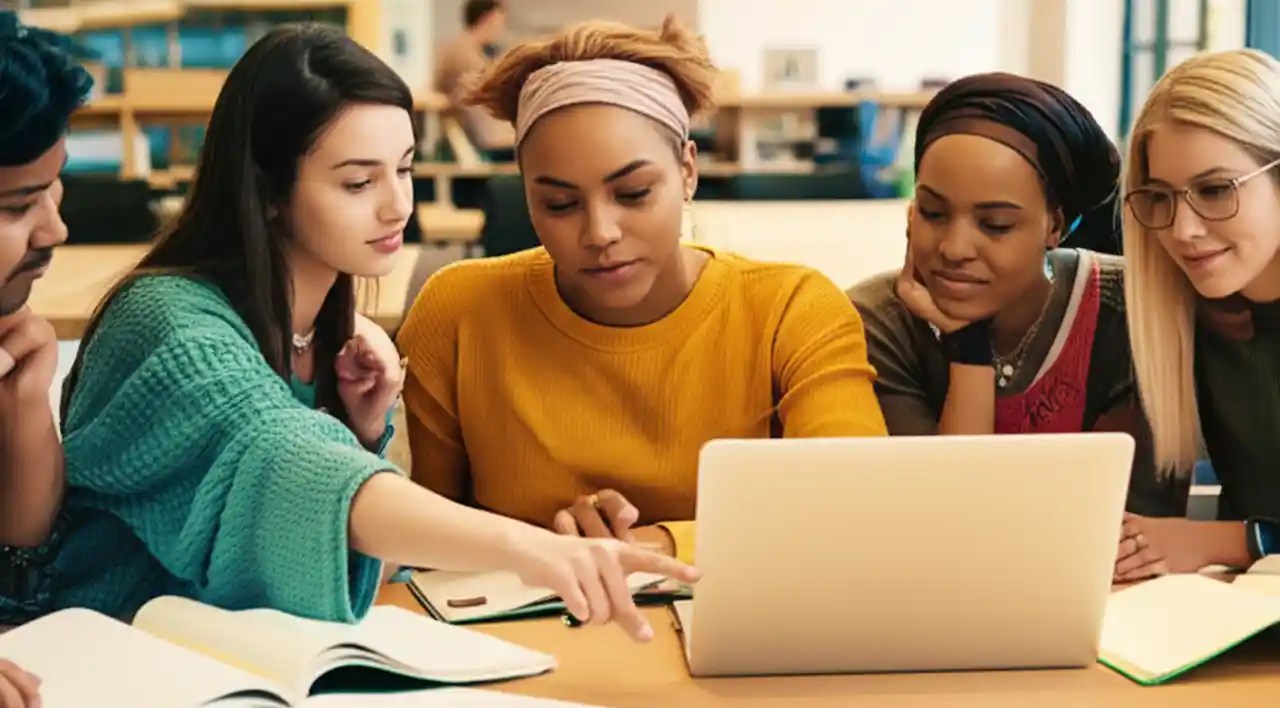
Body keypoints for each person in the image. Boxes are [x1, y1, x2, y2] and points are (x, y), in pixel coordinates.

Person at [55, 23, 695, 642]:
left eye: (406, 169)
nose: (397, 205)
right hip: (112, 657)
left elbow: (350, 559)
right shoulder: (168, 322)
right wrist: (533, 547)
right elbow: (279, 458)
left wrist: (362, 432)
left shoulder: (324, 332)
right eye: (358, 182)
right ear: (269, 189)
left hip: (244, 656)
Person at [396, 16, 888, 567]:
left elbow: (852, 507)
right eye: (560, 204)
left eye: (632, 194)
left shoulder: (791, 310)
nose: (600, 233)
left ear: (687, 171)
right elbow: (415, 536)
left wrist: (648, 548)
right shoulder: (459, 311)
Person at [847, 72, 1184, 518]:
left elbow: (1135, 526)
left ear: (1055, 226)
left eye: (995, 225)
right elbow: (944, 518)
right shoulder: (875, 324)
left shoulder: (1129, 312)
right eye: (933, 213)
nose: (954, 248)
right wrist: (968, 347)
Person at [1117, 48, 1280, 581]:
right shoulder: (1171, 314)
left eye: (1215, 190)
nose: (1181, 230)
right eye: (1160, 198)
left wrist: (1230, 540)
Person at [0, 11, 93, 708]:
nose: (55, 228)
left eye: (53, 189)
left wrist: (28, 423)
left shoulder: (18, 352)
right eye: (19, 206)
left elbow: (24, 611)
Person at [433, 0, 514, 158]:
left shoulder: (459, 49)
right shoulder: (467, 58)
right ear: (489, 19)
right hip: (474, 148)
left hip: (472, 140)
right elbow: (483, 128)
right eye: (501, 23)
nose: (501, 30)